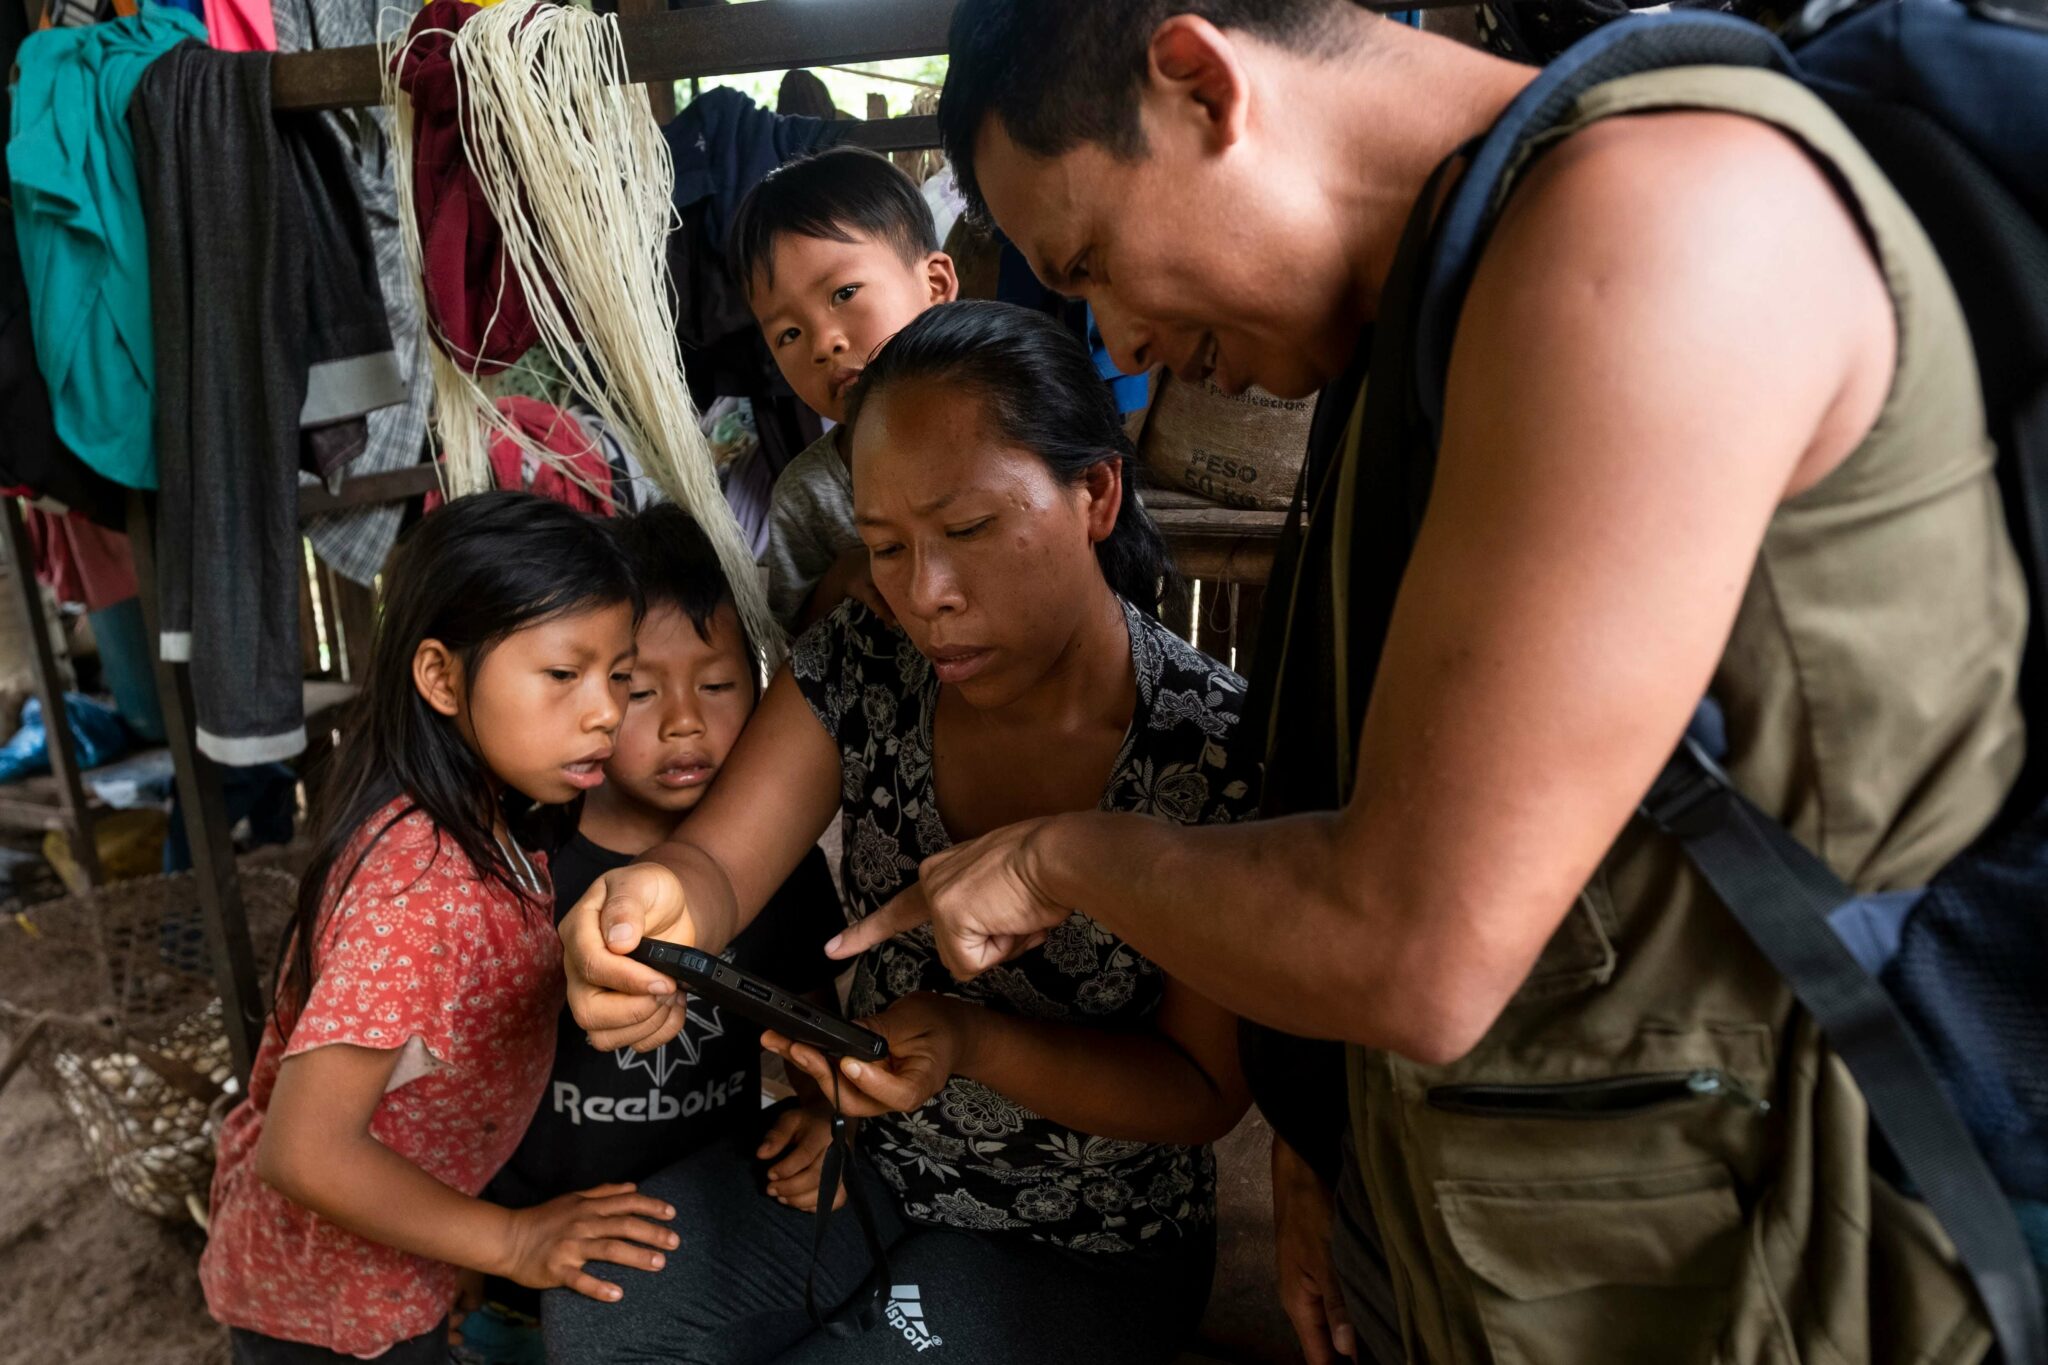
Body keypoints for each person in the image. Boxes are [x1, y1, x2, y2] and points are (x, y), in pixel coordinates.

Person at [574, 3, 2025, 1363]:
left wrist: (1054, 861)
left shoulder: (1643, 224)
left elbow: (1421, 943)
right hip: (1599, 1233)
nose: (1123, 345)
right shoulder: (1431, 324)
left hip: (1795, 1241)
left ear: (1202, 86)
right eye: (887, 548)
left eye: (1086, 263)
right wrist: (1330, 1150)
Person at [547, 301, 1259, 1365]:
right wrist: (653, 900)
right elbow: (713, 864)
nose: (925, 596)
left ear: (1094, 493)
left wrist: (966, 1043)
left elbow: (1201, 1092)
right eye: (884, 546)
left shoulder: (1207, 753)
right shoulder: (863, 666)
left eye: (967, 530)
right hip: (864, 1156)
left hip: (1085, 1235)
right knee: (604, 1311)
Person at [200, 492, 680, 1364]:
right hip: (327, 1306)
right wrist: (511, 1242)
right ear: (441, 676)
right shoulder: (417, 893)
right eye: (564, 674)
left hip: (387, 1266)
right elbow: (305, 1152)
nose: (607, 709)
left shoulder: (486, 819)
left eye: (618, 674)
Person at [466, 503, 850, 1356]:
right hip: (530, 1245)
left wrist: (830, 1120)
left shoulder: (775, 864)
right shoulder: (527, 858)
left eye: (716, 685)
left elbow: (814, 1033)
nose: (684, 720)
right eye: (641, 691)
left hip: (698, 1223)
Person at [733, 145, 958, 632]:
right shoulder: (808, 496)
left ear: (935, 285)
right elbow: (798, 638)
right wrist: (844, 577)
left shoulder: (1014, 425)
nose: (823, 344)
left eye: (844, 294)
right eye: (788, 334)